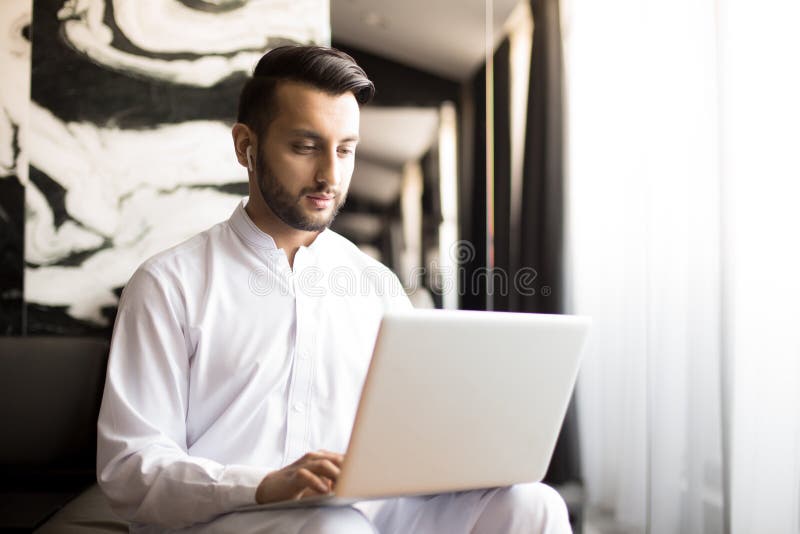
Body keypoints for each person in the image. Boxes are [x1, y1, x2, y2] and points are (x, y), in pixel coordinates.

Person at [96, 45, 572, 534]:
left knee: (533, 506)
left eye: (345, 150)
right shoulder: (168, 285)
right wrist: (264, 485)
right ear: (245, 146)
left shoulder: (377, 286)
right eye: (305, 147)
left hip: (364, 512)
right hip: (229, 519)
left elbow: (411, 438)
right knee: (336, 527)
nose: (330, 175)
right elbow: (130, 468)